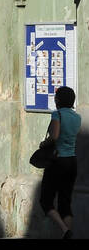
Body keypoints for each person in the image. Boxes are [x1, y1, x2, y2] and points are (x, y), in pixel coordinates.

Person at [41, 86, 80, 238]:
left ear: (59, 100)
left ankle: (65, 230)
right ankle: (67, 235)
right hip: (72, 162)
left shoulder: (57, 114)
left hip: (58, 161)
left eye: (56, 98)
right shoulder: (77, 117)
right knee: (65, 203)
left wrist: (44, 144)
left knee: (45, 201)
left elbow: (55, 136)